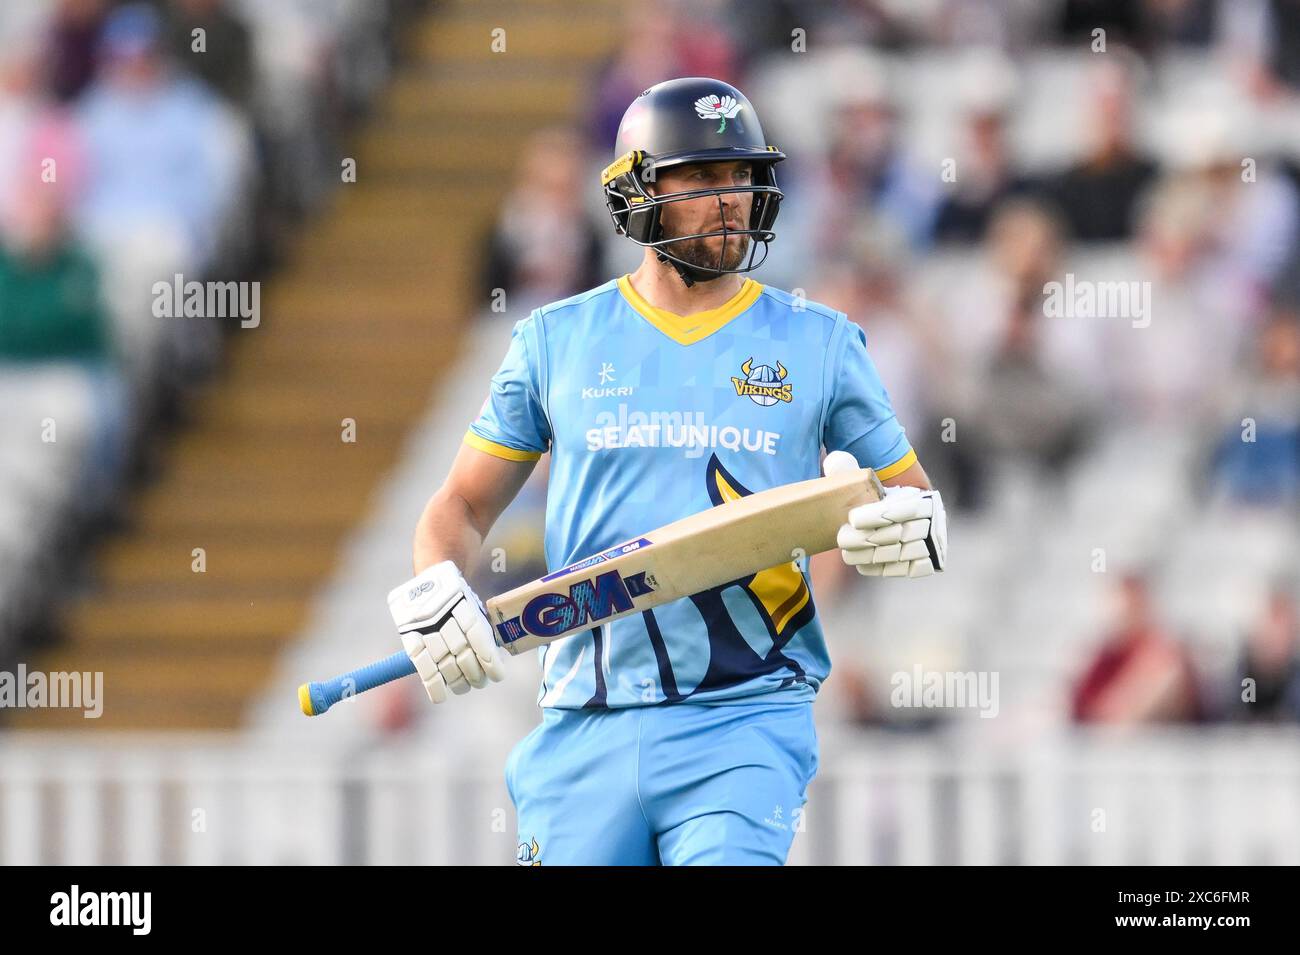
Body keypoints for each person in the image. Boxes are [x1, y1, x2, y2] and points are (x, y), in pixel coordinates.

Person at [388, 78, 947, 865]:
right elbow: (462, 502)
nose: (730, 200)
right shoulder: (556, 339)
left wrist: (915, 524)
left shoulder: (820, 342)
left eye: (740, 177)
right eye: (701, 178)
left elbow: (912, 496)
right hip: (586, 712)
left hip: (745, 716)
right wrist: (435, 583)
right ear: (639, 193)